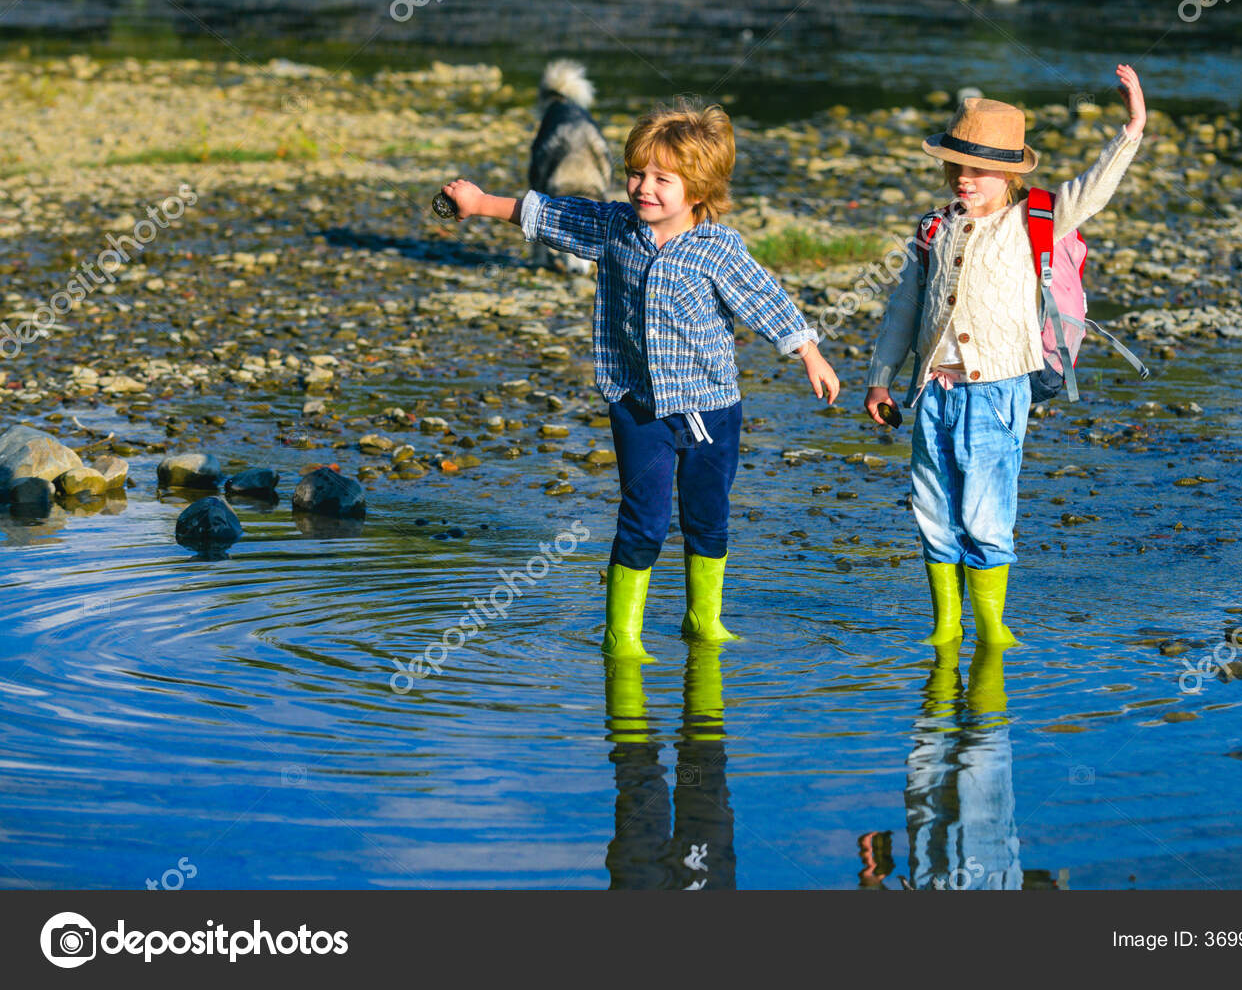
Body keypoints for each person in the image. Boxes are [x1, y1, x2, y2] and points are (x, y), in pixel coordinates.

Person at [443, 98, 840, 660]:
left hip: (710, 409)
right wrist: (481, 202)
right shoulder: (614, 228)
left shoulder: (717, 248)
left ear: (698, 190)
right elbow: (551, 216)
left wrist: (808, 352)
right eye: (636, 173)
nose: (642, 187)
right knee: (644, 520)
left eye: (661, 178)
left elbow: (764, 298)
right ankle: (622, 636)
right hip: (637, 404)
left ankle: (704, 621)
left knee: (707, 517)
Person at [863, 66, 1146, 646]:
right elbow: (903, 311)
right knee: (932, 508)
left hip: (998, 391)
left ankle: (992, 628)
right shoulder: (934, 228)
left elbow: (1094, 186)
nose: (964, 179)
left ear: (1010, 175)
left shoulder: (1035, 217)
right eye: (956, 167)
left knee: (987, 513)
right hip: (931, 392)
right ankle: (946, 626)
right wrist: (879, 380)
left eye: (980, 170)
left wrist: (1132, 127)